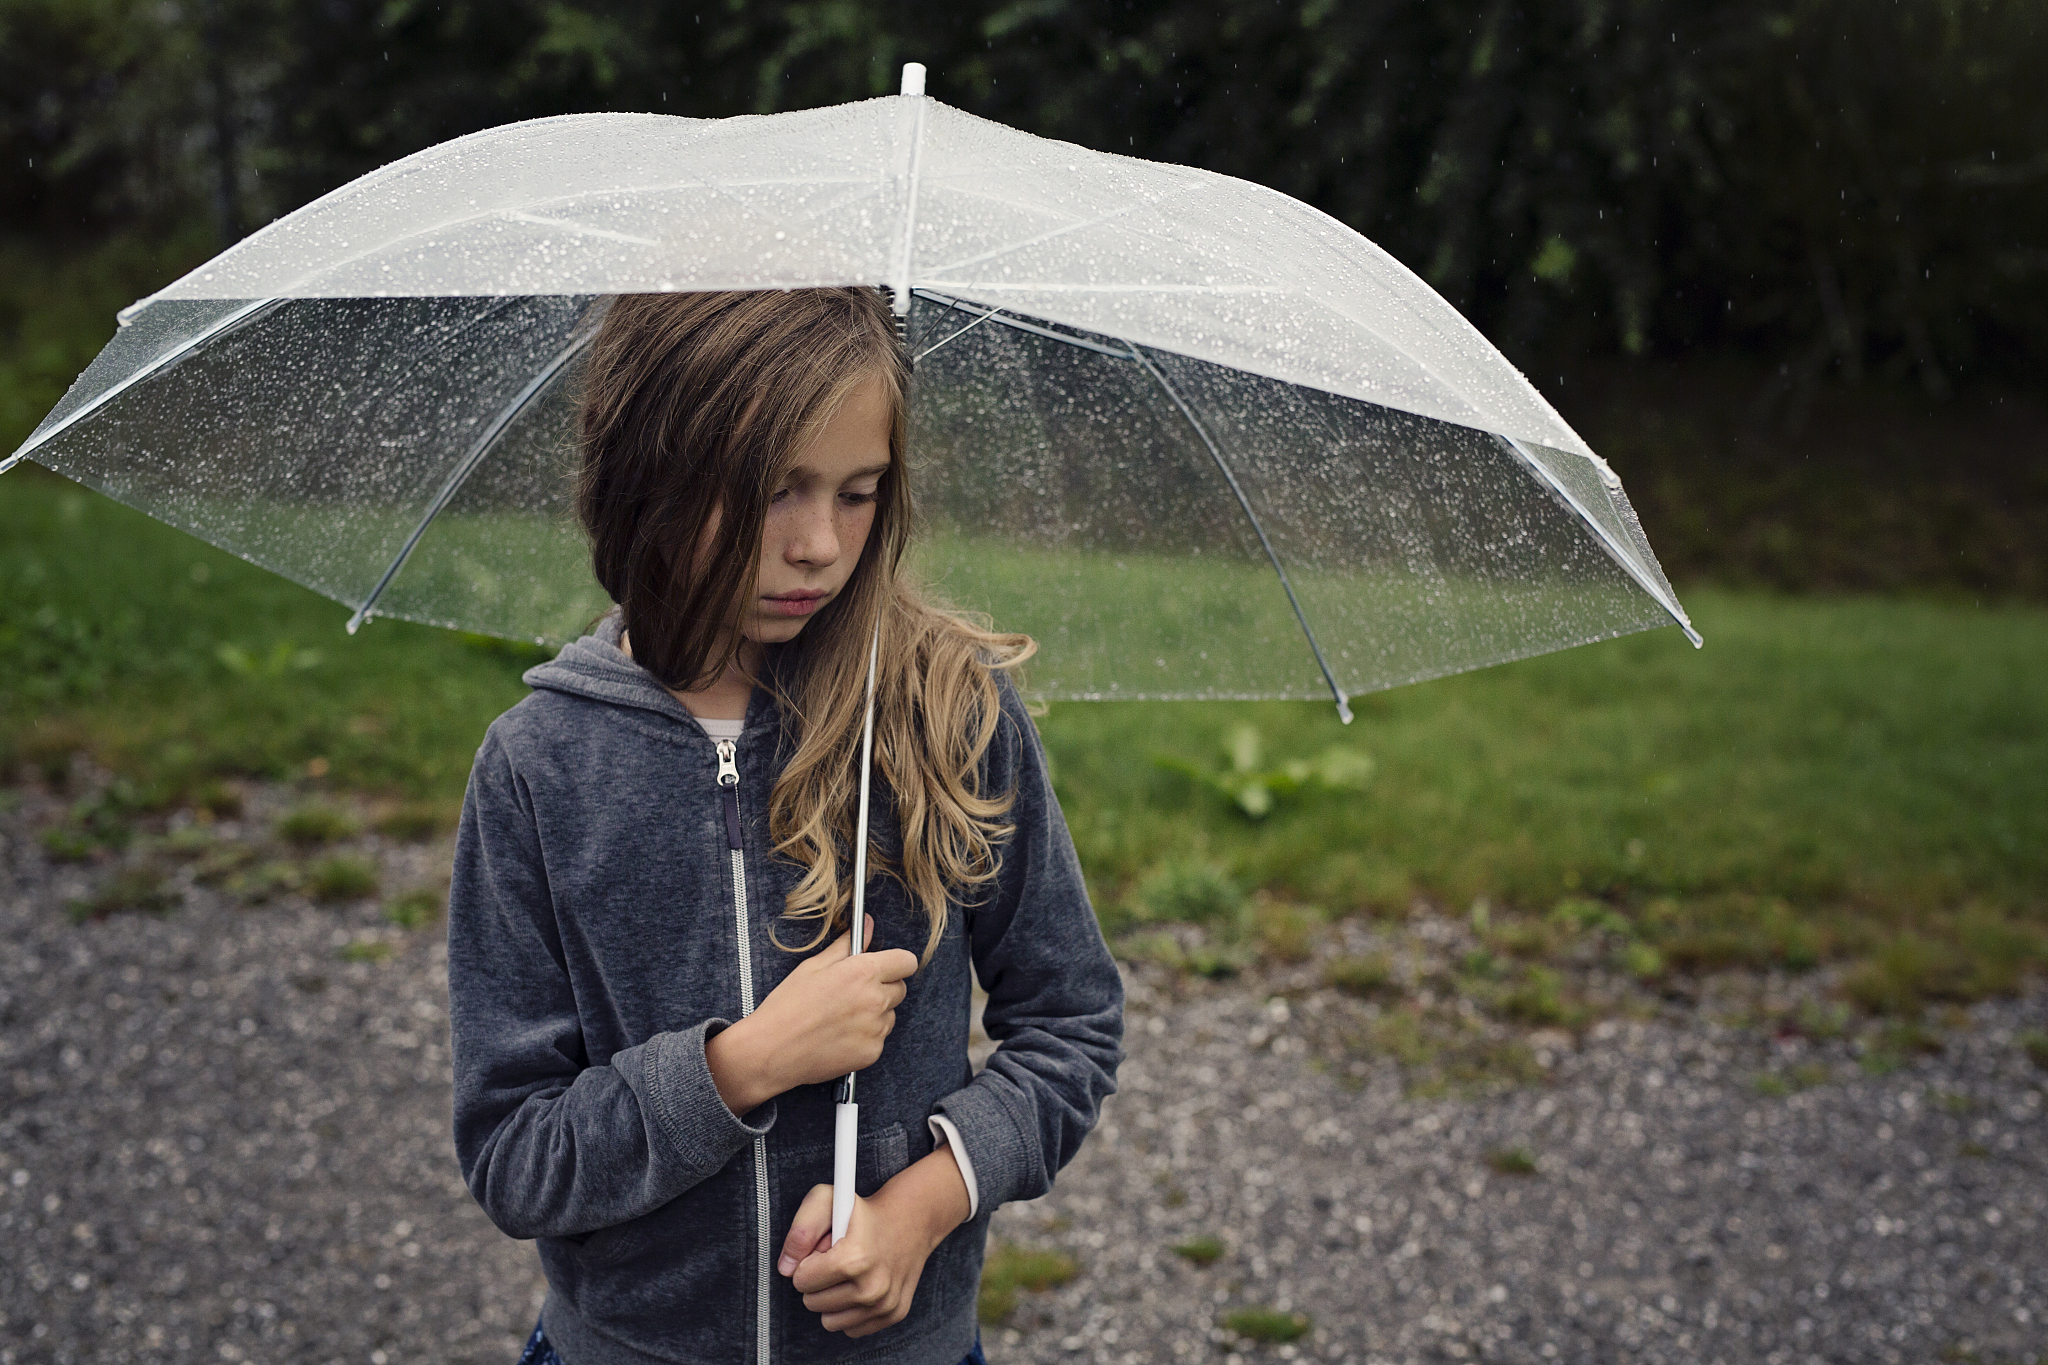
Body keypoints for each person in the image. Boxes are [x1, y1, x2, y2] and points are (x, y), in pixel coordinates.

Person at [447, 285, 1124, 1365]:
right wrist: (741, 1066)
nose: (818, 545)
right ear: (645, 480)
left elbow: (1072, 1021)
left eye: (858, 495)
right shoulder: (539, 771)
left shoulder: (944, 712)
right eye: (772, 492)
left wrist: (928, 1200)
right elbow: (517, 1157)